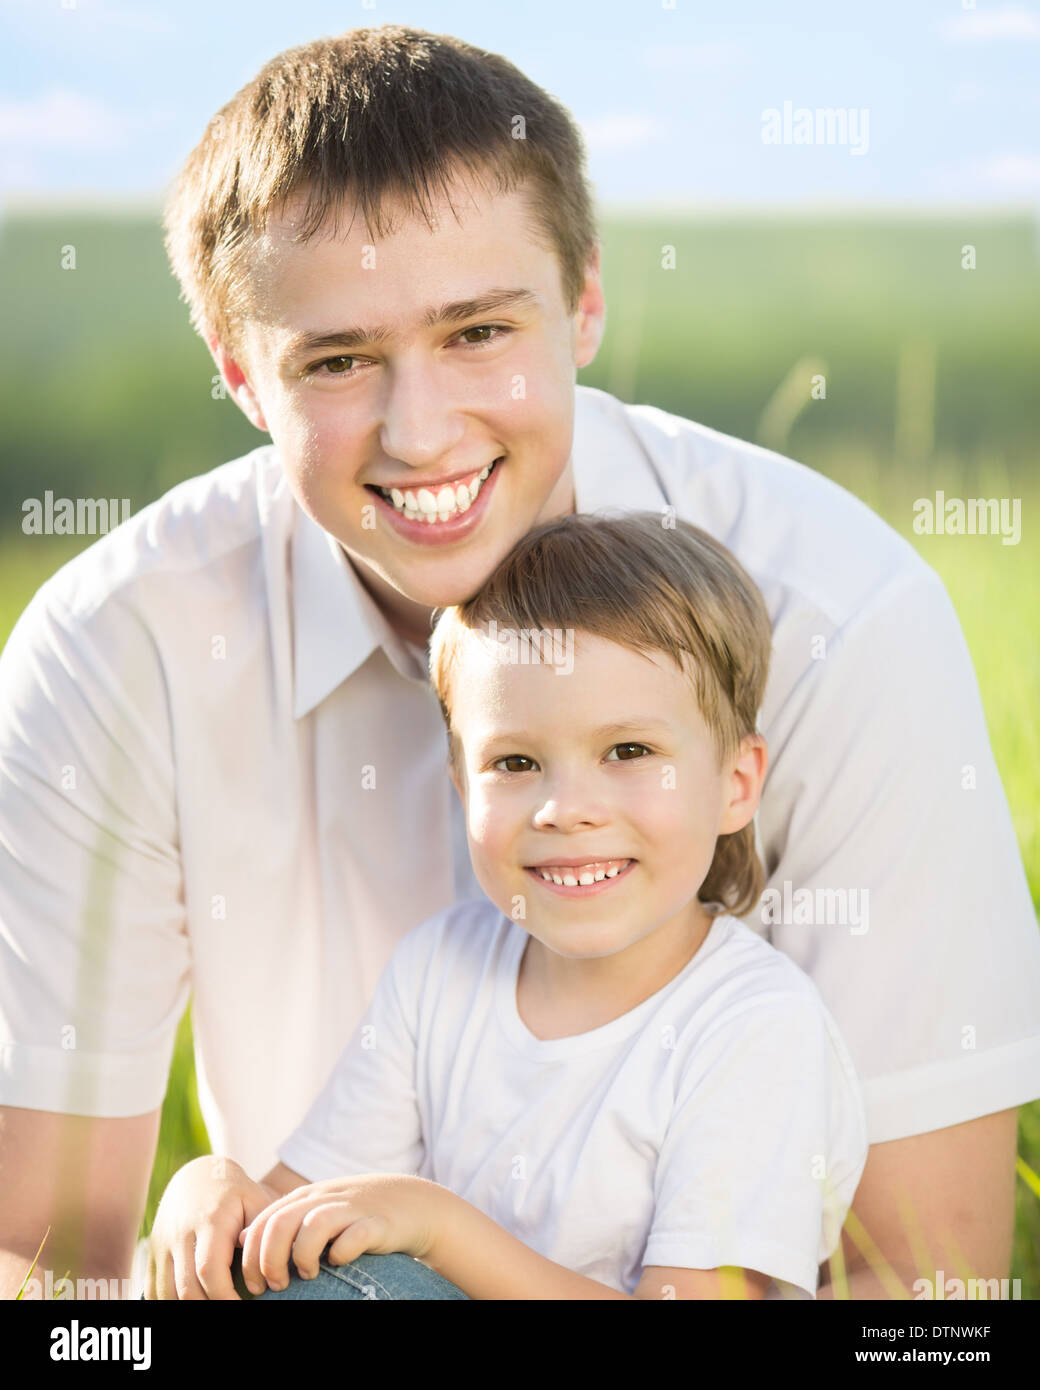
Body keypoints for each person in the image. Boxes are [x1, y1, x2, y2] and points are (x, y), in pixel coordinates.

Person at [0, 25, 1036, 1301]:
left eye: (479, 330)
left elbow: (926, 1300)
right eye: (335, 359)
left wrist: (435, 1235)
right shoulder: (118, 650)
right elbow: (41, 1271)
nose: (420, 431)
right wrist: (205, 1213)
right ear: (238, 375)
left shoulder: (840, 617)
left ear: (586, 300)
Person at [151, 512, 869, 1301]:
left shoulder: (754, 1025)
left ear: (736, 783)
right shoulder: (439, 971)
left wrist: (440, 1229)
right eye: (516, 761)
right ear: (462, 785)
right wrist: (208, 1188)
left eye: (629, 752)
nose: (567, 808)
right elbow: (303, 1223)